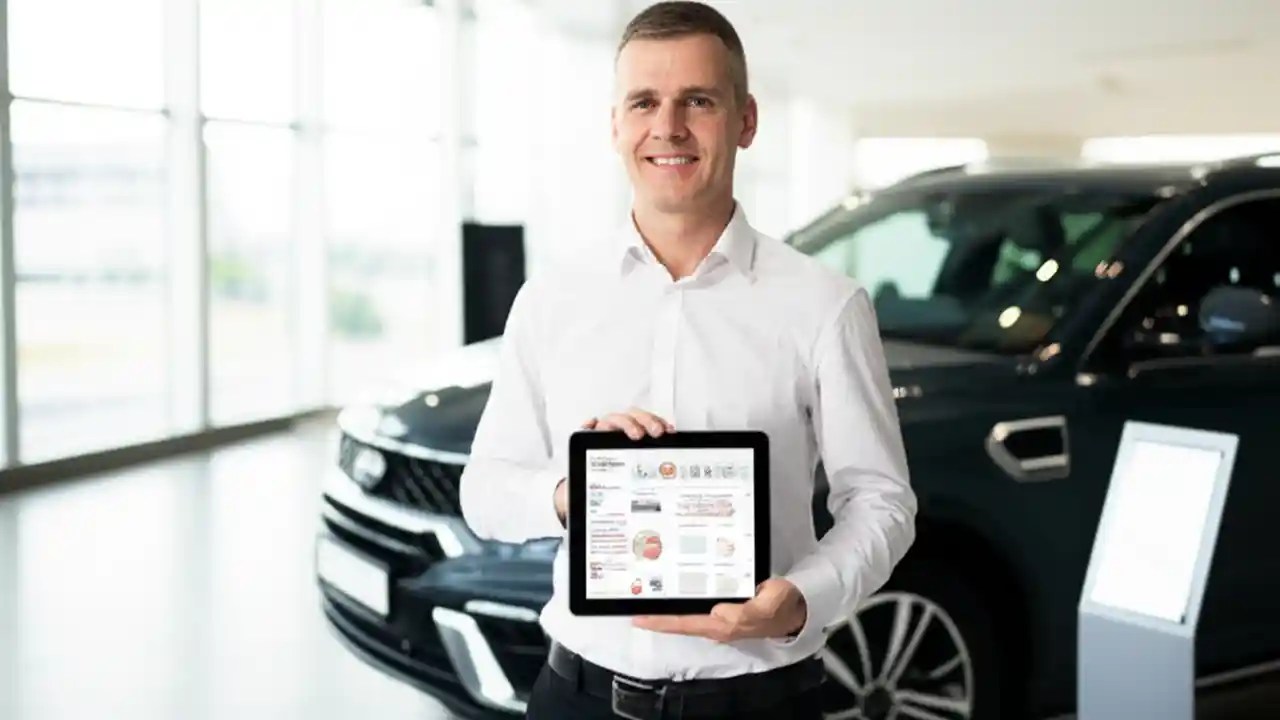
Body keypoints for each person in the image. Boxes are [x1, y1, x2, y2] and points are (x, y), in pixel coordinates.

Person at [458, 2, 917, 718]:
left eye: (697, 101)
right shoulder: (551, 299)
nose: (667, 127)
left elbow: (881, 502)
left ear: (746, 120)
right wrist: (569, 494)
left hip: (758, 701)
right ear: (615, 124)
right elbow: (483, 489)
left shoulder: (825, 303)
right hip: (575, 696)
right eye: (644, 102)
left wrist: (800, 600)